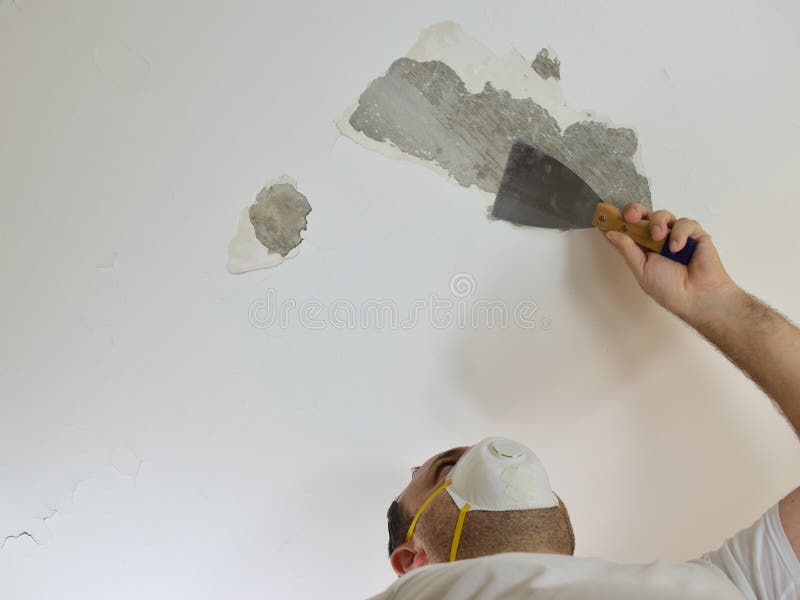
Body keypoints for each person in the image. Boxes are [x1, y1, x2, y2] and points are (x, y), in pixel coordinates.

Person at [369, 203, 800, 600]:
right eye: (445, 470)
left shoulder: (730, 584)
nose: (493, 456)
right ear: (411, 564)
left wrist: (716, 302)